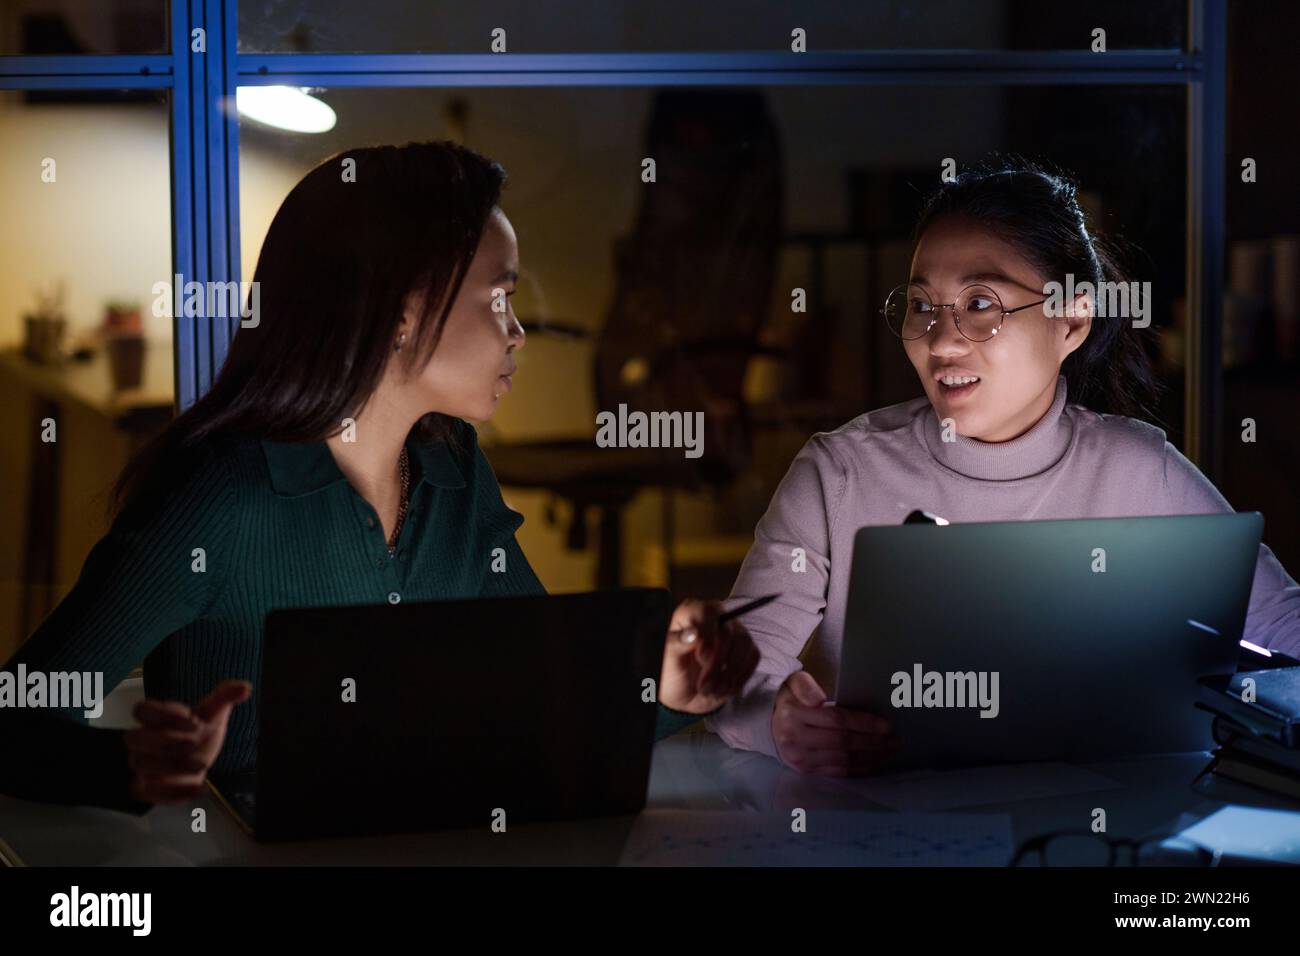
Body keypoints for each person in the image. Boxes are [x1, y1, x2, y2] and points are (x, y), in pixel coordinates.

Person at [2, 141, 758, 812]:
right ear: (402, 311)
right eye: (500, 298)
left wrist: (663, 687)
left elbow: (541, 701)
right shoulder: (221, 498)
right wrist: (134, 767)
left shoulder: (456, 470)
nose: (518, 331)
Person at [706, 157, 1300, 777]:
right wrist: (781, 721)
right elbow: (738, 670)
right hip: (887, 830)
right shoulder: (839, 474)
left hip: (1101, 830)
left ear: (1071, 319)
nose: (940, 341)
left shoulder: (1139, 470)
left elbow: (1283, 628)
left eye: (981, 302)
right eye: (920, 305)